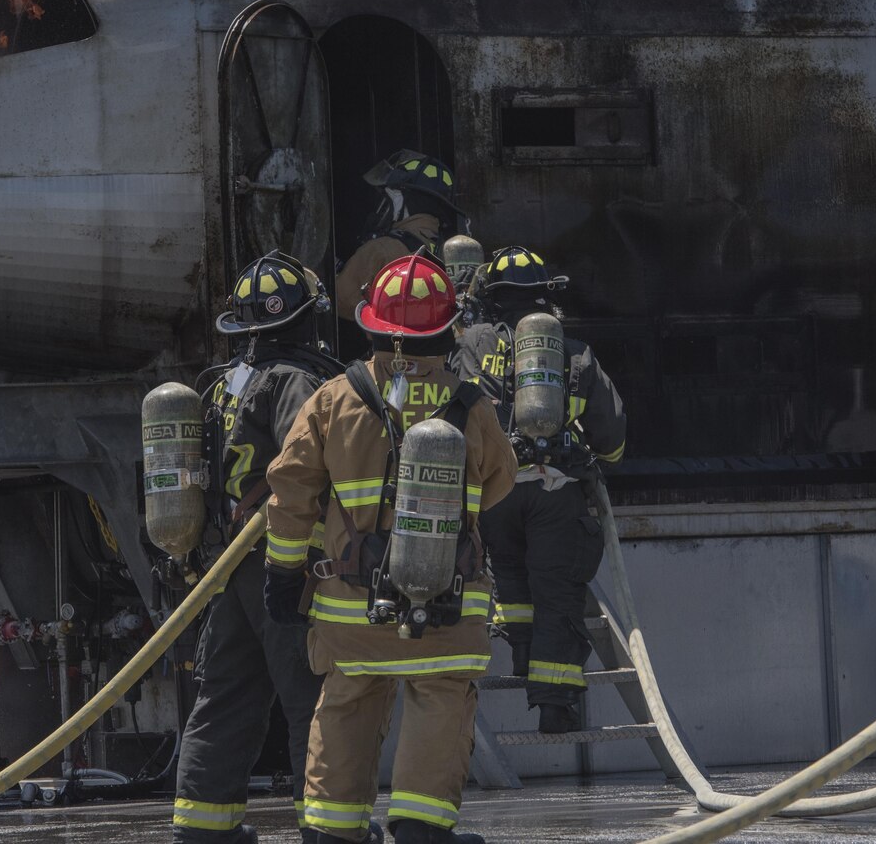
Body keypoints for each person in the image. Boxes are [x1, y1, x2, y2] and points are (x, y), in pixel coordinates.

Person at [265, 253, 517, 844]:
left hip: (351, 612)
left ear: (371, 325)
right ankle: (422, 827)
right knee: (438, 699)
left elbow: (290, 489)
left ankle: (332, 829)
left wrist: (283, 572)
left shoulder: (330, 400)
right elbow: (501, 478)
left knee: (347, 700)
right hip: (446, 608)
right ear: (447, 328)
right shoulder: (472, 405)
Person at [173, 252, 344, 844]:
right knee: (312, 698)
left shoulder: (225, 383)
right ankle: (326, 828)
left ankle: (202, 828)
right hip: (283, 560)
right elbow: (305, 467)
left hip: (229, 568)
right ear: (303, 319)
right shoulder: (297, 380)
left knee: (225, 697)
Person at [449, 246, 627, 734]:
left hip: (496, 490)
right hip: (557, 492)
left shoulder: (472, 343)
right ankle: (555, 708)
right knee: (558, 593)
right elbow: (611, 434)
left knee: (509, 574)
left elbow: (453, 412)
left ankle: (522, 657)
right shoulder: (570, 348)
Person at [335, 151, 467, 322]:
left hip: (392, 346)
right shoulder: (448, 250)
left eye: (385, 198)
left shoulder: (381, 250)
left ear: (402, 201)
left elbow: (339, 301)